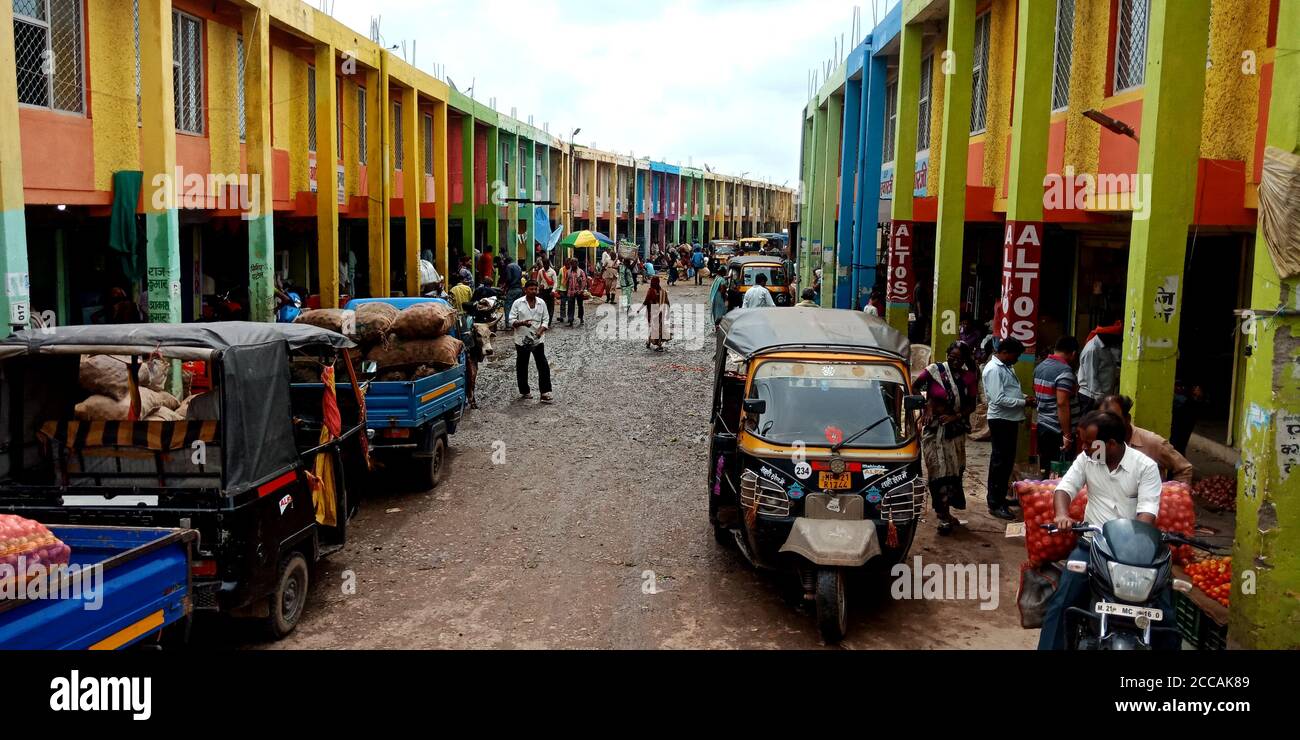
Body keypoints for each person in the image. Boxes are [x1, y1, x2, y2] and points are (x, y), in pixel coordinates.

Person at [1038, 410, 1173, 650]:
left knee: (1165, 616)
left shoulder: (1145, 467)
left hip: (1134, 555)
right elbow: (1064, 489)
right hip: (1092, 545)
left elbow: (1147, 513)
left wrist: (1134, 549)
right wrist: (1061, 514)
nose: (1084, 448)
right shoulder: (1086, 460)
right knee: (1061, 604)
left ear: (1111, 444)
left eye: (1090, 443)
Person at [914, 342, 979, 534]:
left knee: (953, 473)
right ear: (947, 354)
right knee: (937, 472)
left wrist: (955, 416)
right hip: (933, 432)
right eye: (952, 356)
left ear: (965, 359)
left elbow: (971, 406)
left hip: (955, 433)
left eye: (959, 358)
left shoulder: (969, 377)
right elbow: (914, 387)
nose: (955, 361)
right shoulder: (934, 371)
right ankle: (942, 516)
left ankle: (946, 512)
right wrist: (926, 406)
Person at [982, 337, 1037, 520]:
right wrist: (1023, 401)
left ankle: (1000, 498)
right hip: (1001, 420)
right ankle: (995, 503)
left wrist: (1024, 398)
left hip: (1009, 419)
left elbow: (1009, 392)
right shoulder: (994, 370)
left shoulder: (1005, 367)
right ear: (1005, 352)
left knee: (1005, 462)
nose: (1017, 359)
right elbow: (998, 399)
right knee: (999, 462)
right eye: (1016, 355)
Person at [1100, 395, 1194, 483]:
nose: (1109, 426)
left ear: (1127, 419)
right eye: (1103, 421)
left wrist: (1173, 494)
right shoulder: (1097, 443)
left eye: (1115, 420)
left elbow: (1184, 469)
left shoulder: (1153, 443)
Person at [1033, 335, 1082, 478]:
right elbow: (1062, 403)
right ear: (1073, 353)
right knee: (1059, 473)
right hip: (1057, 430)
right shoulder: (1065, 372)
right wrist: (1067, 435)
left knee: (1046, 469)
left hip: (1043, 424)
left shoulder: (1040, 367)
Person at [509, 280, 552, 403]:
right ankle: (524, 391)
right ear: (525, 289)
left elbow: (546, 319)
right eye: (531, 289)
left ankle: (545, 392)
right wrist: (522, 323)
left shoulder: (541, 303)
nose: (533, 291)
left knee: (542, 364)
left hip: (538, 339)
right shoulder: (518, 303)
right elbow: (511, 320)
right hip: (522, 339)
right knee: (522, 365)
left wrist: (541, 329)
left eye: (535, 289)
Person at [1077, 321, 1122, 412]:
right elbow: (1091, 380)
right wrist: (1102, 401)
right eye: (1115, 337)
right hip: (1092, 397)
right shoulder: (1092, 349)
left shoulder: (1105, 347)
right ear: (1107, 336)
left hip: (1100, 397)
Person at [643, 276, 671, 351]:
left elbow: (646, 301)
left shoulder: (651, 291)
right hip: (661, 313)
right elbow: (667, 302)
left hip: (652, 313)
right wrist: (668, 312)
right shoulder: (663, 291)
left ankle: (657, 344)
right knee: (659, 327)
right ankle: (652, 342)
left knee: (653, 327)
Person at [563, 258, 588, 327]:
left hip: (579, 292)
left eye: (575, 263)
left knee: (580, 305)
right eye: (572, 263)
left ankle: (581, 318)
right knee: (570, 306)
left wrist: (581, 290)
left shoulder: (581, 272)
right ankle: (570, 320)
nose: (573, 264)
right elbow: (567, 281)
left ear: (577, 264)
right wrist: (567, 290)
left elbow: (584, 282)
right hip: (571, 291)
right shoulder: (568, 272)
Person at [536, 257, 557, 324]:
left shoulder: (552, 272)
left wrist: (553, 290)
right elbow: (538, 282)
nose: (545, 265)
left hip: (550, 291)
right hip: (543, 291)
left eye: (546, 264)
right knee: (542, 306)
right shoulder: (540, 271)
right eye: (544, 264)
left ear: (548, 264)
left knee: (550, 306)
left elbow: (555, 282)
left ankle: (549, 320)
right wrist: (538, 289)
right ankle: (543, 320)